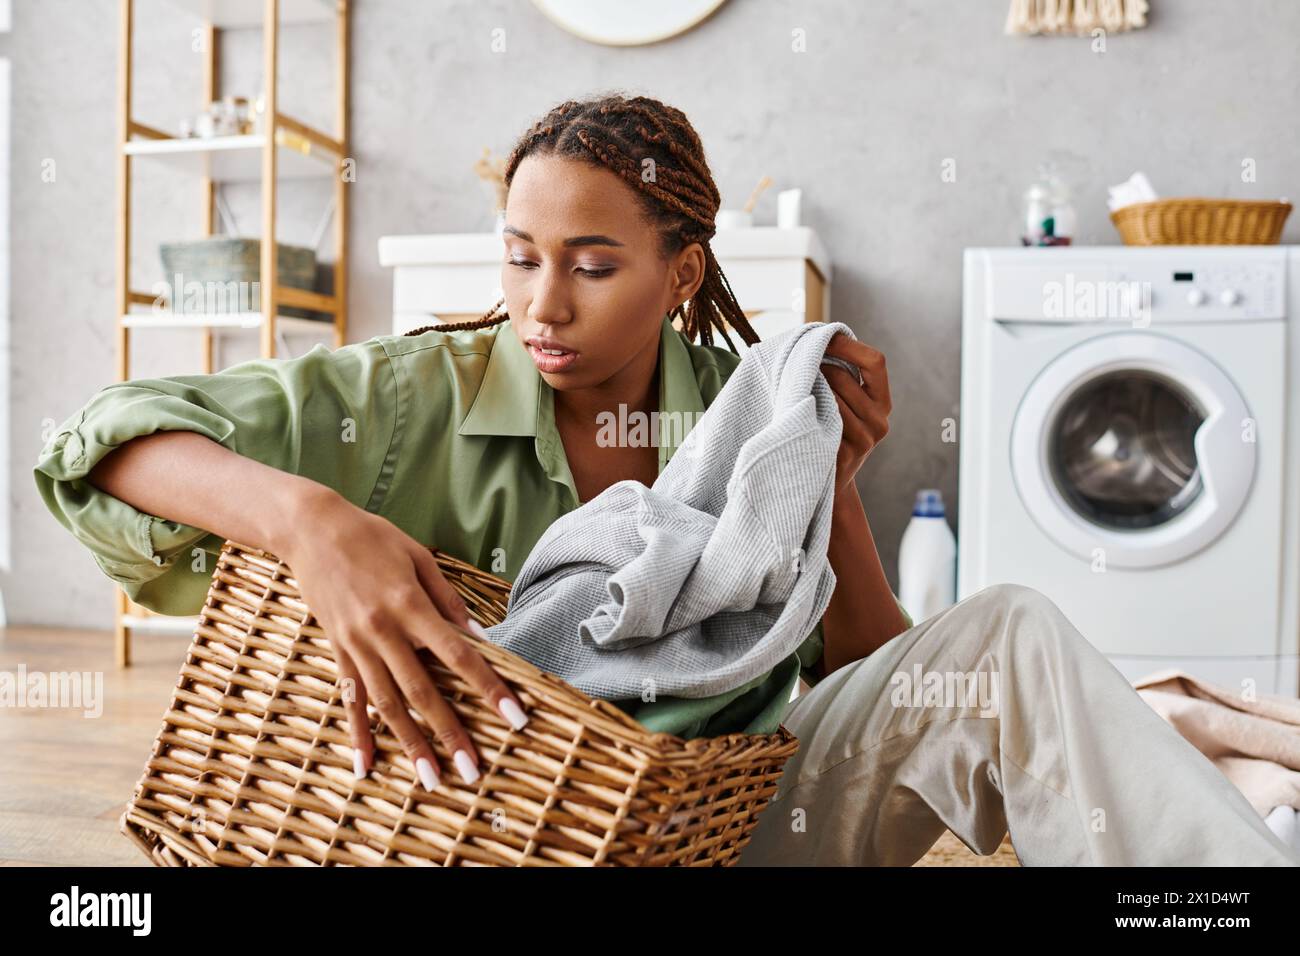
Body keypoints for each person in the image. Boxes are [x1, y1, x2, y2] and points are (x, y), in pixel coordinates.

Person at [34, 93, 1297, 866]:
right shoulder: (415, 392)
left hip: (710, 832)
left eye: (591, 263)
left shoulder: (755, 409)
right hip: (475, 828)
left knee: (1010, 629)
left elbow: (880, 668)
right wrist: (313, 520)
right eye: (522, 255)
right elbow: (105, 438)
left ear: (683, 272)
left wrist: (832, 484)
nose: (541, 301)